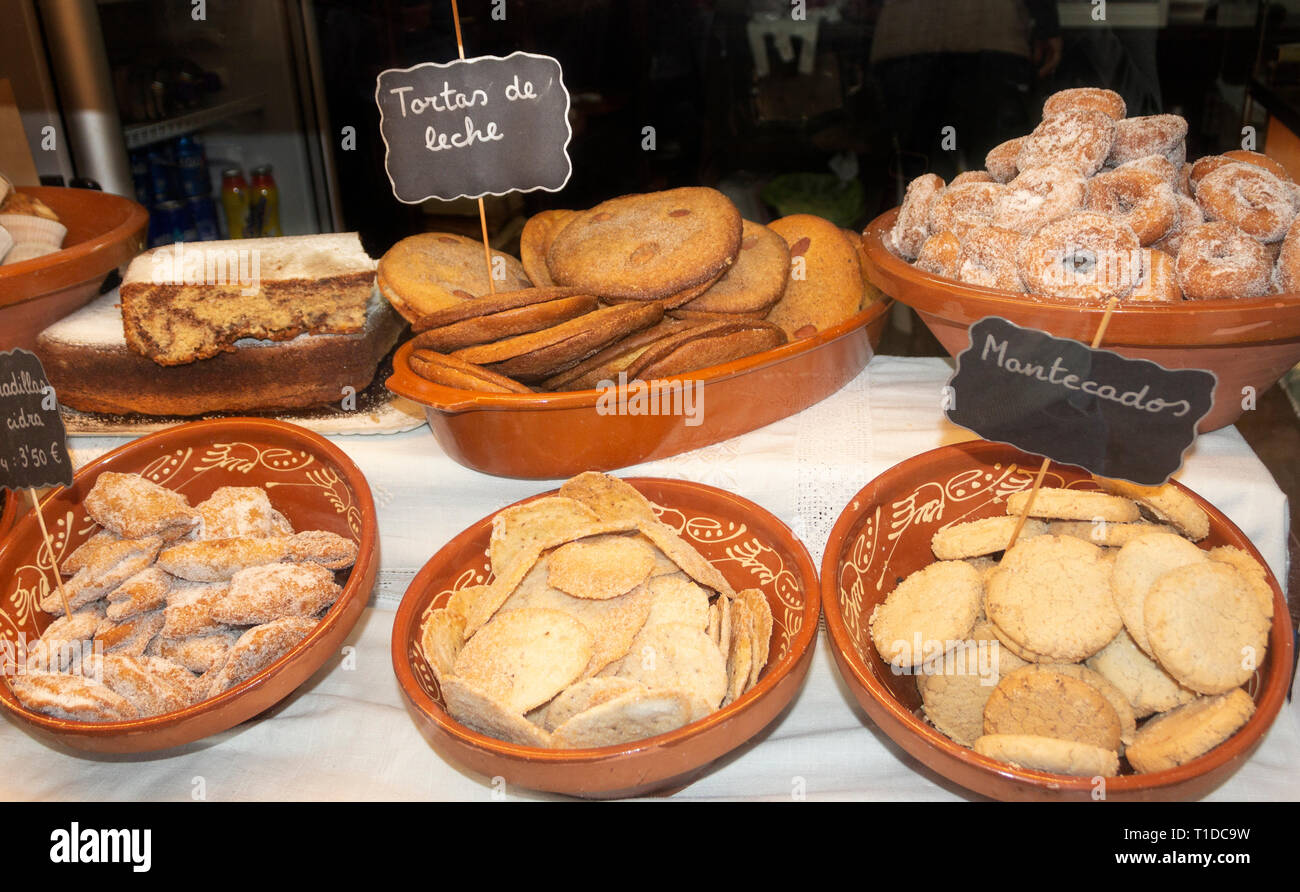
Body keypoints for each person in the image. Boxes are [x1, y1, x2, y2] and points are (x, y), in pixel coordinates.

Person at [870, 0, 1062, 183]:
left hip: (908, 31)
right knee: (995, 167)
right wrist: (1047, 25)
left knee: (917, 170)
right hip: (990, 28)